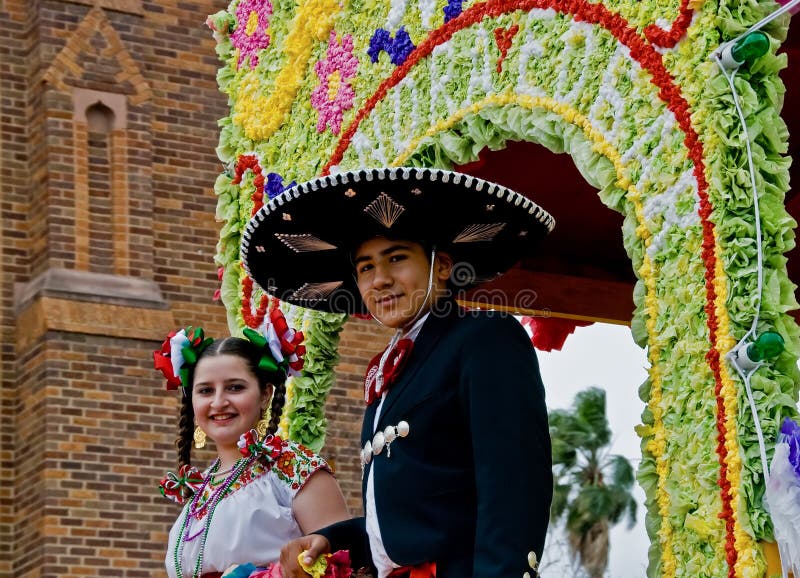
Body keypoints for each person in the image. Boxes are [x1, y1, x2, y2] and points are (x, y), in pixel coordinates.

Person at [239, 166, 555, 578]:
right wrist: (333, 540)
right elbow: (410, 519)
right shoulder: (391, 372)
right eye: (366, 267)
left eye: (397, 259)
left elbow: (514, 489)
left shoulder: (485, 339)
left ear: (441, 266)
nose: (381, 280)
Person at [152, 311, 351, 578]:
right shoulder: (203, 488)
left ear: (265, 395)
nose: (219, 402)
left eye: (235, 387)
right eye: (205, 390)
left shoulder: (294, 468)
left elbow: (344, 563)